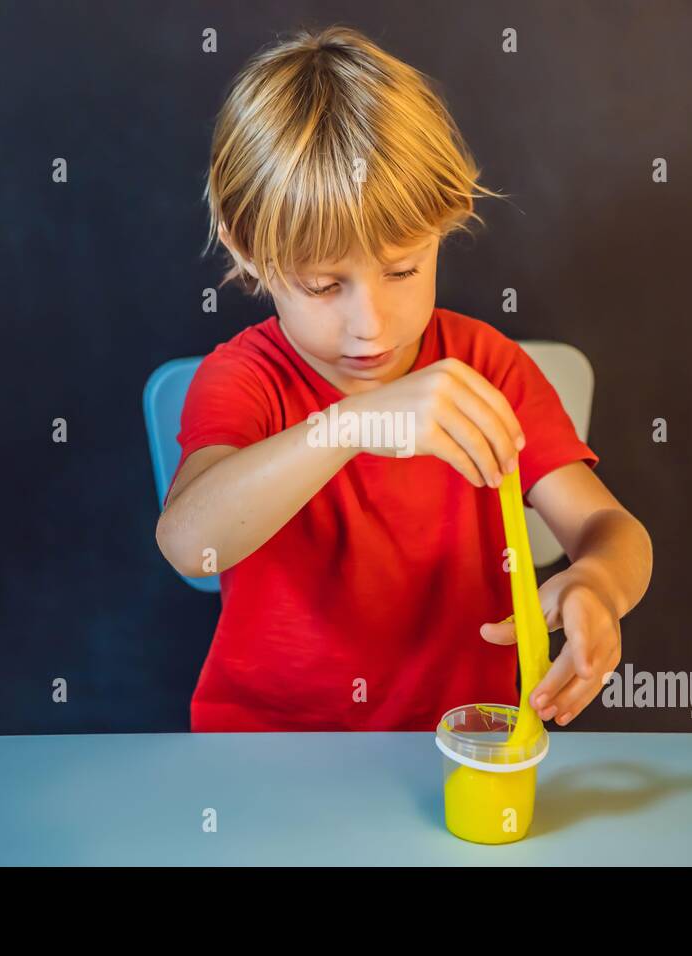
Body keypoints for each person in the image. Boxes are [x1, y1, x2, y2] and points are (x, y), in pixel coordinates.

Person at [156, 25, 652, 732]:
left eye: (402, 270)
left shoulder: (486, 366)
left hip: (457, 742)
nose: (373, 327)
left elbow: (612, 527)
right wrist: (356, 424)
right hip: (265, 753)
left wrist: (598, 582)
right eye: (325, 286)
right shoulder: (244, 379)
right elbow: (188, 542)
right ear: (247, 249)